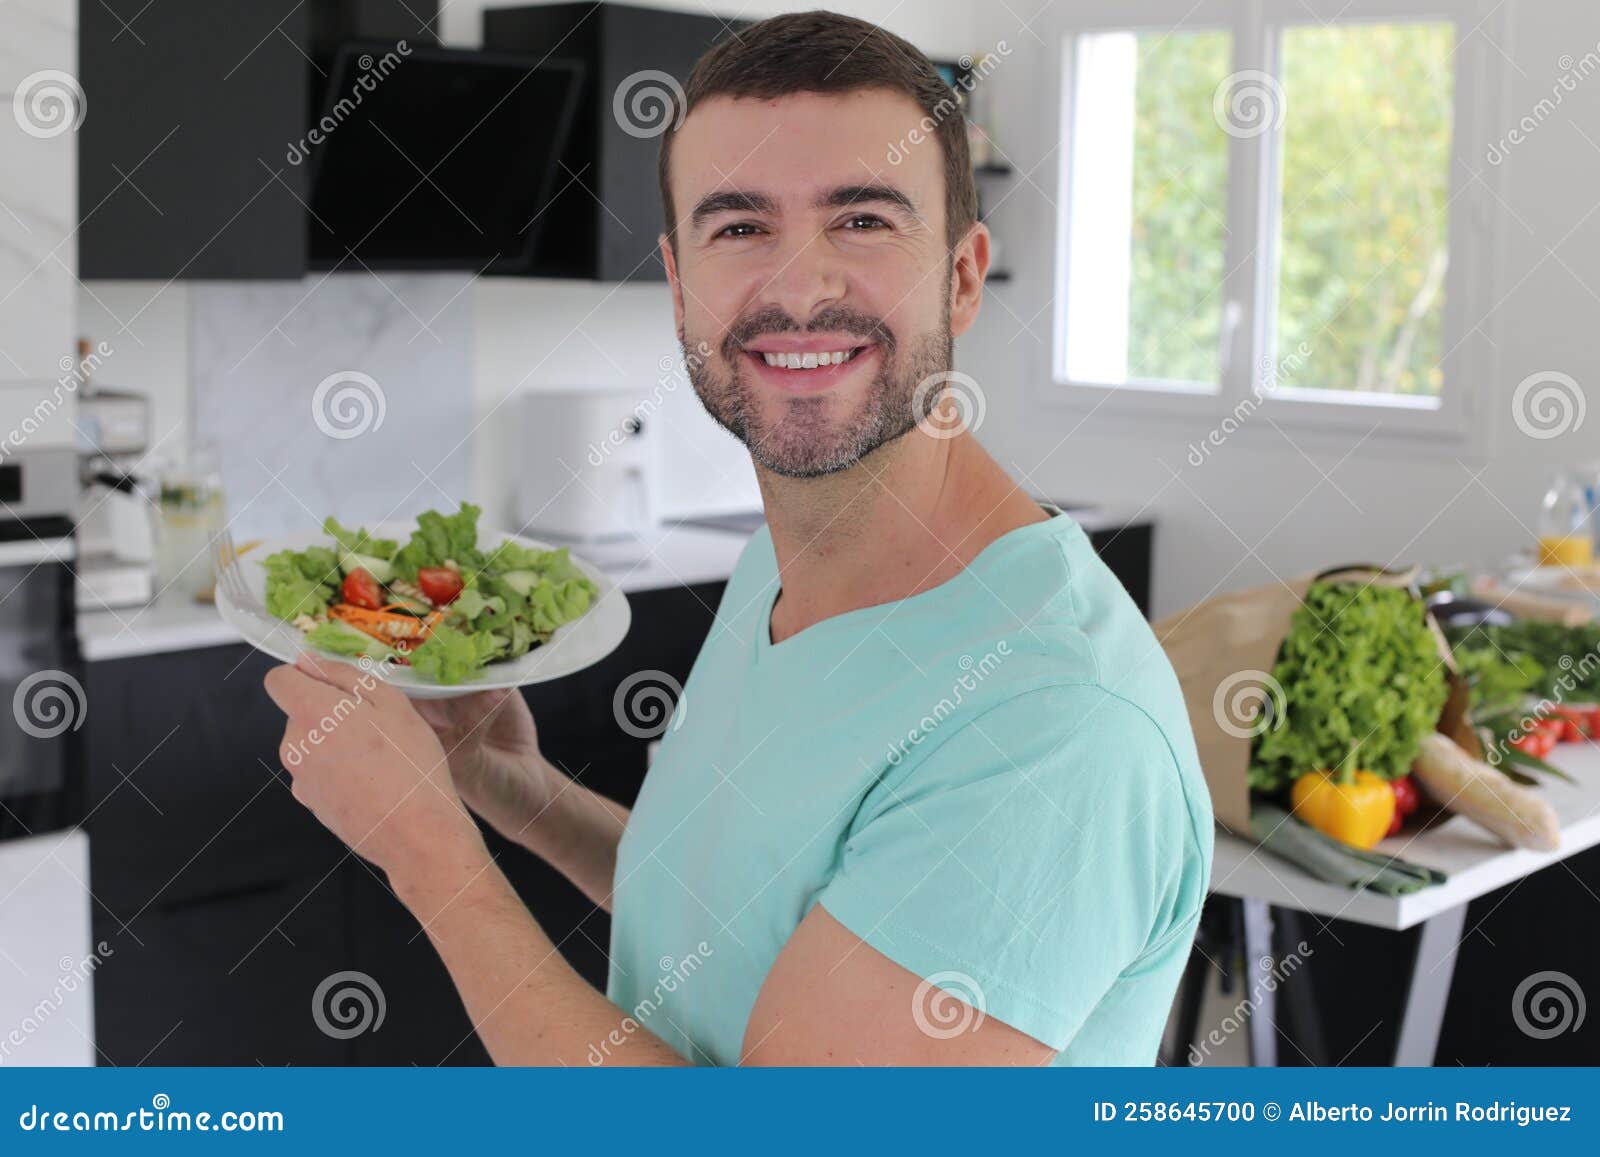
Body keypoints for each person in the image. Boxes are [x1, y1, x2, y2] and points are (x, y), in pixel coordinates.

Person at [265, 9, 1212, 1066]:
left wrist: (425, 852)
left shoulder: (1049, 722)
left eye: (860, 219)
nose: (799, 286)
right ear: (680, 284)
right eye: (739, 226)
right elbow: (743, 936)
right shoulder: (788, 561)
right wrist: (519, 798)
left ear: (960, 274)